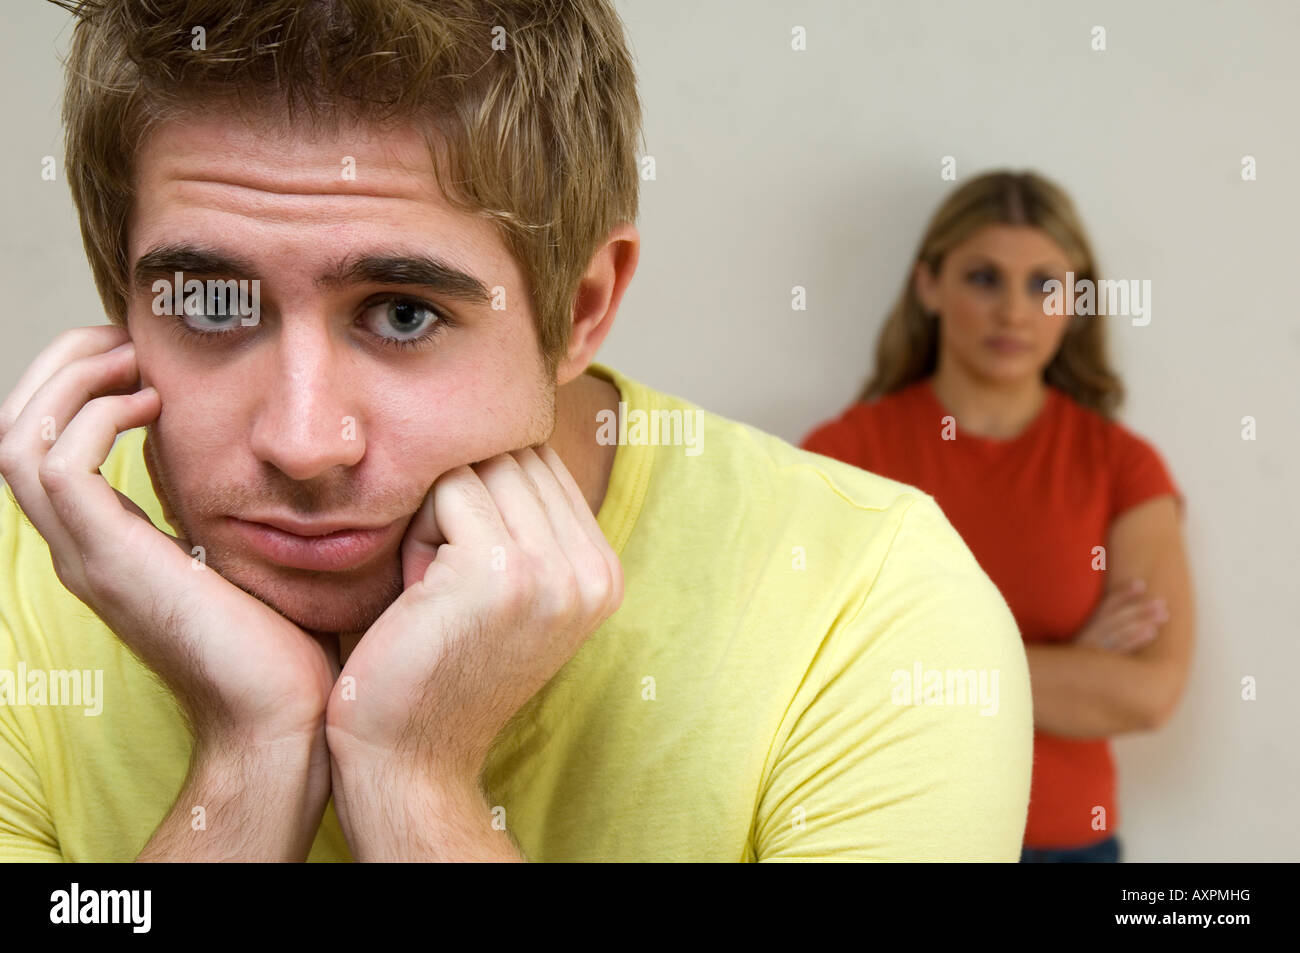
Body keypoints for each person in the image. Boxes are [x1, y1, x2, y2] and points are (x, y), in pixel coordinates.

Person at [0, 0, 1032, 862]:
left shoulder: (867, 604)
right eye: (211, 305)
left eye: (403, 311)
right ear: (119, 297)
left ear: (580, 307)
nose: (305, 440)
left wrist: (418, 791)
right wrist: (249, 759)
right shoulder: (12, 592)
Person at [800, 169, 1194, 863]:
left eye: (1044, 283)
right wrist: (1071, 667)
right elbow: (809, 671)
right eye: (984, 278)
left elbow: (1149, 693)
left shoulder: (1121, 465)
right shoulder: (846, 453)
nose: (1014, 310)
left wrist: (913, 660)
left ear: (1075, 301)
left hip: (1071, 849)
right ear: (929, 285)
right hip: (894, 842)